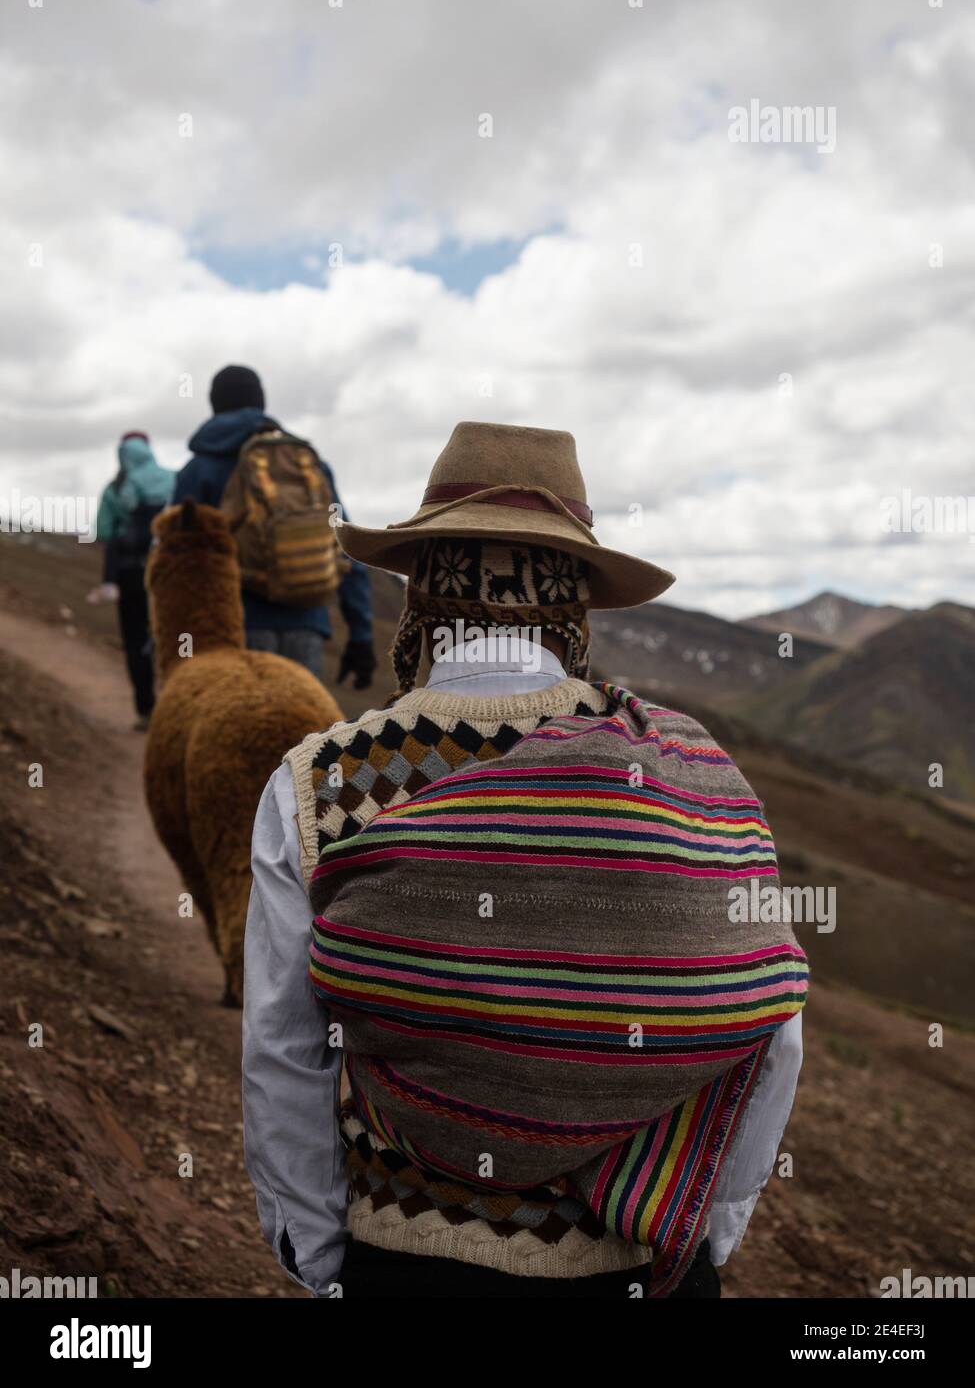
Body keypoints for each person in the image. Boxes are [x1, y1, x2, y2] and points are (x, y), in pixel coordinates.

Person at [242, 421, 805, 1298]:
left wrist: (319, 1257)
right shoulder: (694, 776)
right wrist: (710, 1231)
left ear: (423, 588)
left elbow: (284, 1045)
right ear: (574, 595)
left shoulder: (319, 782)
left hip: (406, 1261)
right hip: (639, 1256)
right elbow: (768, 1029)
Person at [172, 364, 375, 687]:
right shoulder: (308, 465)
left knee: (243, 731)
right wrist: (361, 636)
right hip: (307, 623)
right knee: (304, 733)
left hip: (236, 625)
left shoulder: (197, 472)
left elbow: (179, 564)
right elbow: (345, 545)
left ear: (213, 405)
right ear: (262, 402)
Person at [91, 431, 174, 729]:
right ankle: (179, 708)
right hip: (170, 574)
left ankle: (147, 711)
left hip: (130, 576)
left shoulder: (116, 489)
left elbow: (103, 531)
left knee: (136, 640)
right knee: (174, 639)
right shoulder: (173, 479)